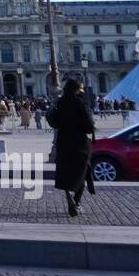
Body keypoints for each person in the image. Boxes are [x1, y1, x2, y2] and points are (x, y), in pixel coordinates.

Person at [46, 79, 96, 217]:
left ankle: (68, 191)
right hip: (79, 142)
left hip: (63, 142)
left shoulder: (60, 103)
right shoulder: (81, 103)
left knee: (66, 170)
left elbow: (54, 122)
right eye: (80, 88)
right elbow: (88, 126)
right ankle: (77, 202)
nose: (82, 91)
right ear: (76, 89)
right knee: (82, 171)